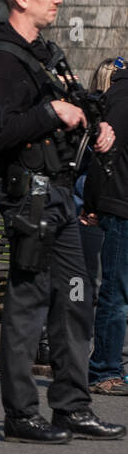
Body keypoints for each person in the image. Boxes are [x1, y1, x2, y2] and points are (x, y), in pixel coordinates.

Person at [0, 0, 124, 443]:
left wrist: (96, 127)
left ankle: (72, 406)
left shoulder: (44, 55)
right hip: (30, 199)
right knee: (28, 305)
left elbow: (74, 110)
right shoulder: (0, 59)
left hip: (59, 196)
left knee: (76, 301)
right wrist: (50, 111)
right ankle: (20, 414)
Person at [83, 57, 128, 395]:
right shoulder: (123, 97)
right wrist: (94, 203)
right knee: (116, 292)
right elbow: (103, 153)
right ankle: (104, 370)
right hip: (122, 206)